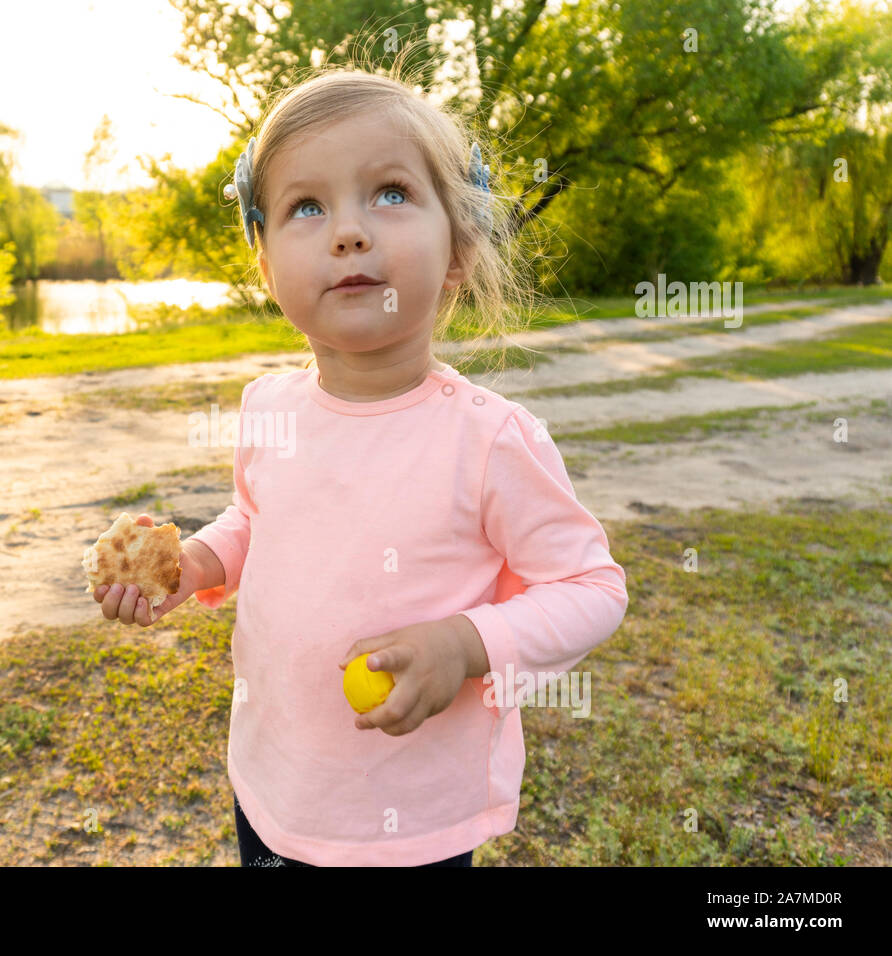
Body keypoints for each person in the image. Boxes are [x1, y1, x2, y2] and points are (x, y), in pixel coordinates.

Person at [93, 64, 628, 867]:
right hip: (276, 786)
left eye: (389, 193)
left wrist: (465, 643)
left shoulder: (488, 440)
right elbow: (254, 520)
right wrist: (198, 561)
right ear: (267, 267)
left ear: (459, 249)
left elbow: (593, 590)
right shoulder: (268, 406)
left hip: (409, 817)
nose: (348, 231)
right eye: (306, 206)